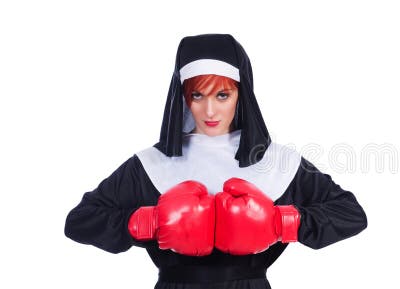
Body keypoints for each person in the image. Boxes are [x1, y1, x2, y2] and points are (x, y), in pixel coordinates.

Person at [65, 34, 368, 289]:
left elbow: (351, 214)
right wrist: (145, 223)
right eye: (197, 95)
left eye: (222, 95)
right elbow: (80, 221)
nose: (210, 111)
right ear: (182, 98)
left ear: (242, 95)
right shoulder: (152, 164)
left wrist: (282, 223)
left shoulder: (278, 162)